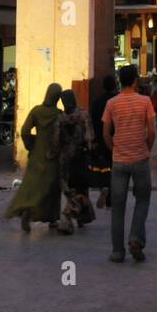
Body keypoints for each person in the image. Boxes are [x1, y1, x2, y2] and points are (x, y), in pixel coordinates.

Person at [103, 64, 156, 262]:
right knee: (143, 199)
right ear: (135, 81)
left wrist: (114, 149)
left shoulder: (112, 103)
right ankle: (135, 237)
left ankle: (117, 251)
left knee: (118, 206)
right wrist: (147, 149)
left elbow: (106, 132)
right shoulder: (145, 101)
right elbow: (151, 131)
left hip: (119, 160)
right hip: (140, 158)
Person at [5, 83, 64, 231]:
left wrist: (32, 144)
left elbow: (25, 131)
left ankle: (27, 211)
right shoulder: (59, 114)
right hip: (53, 155)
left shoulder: (36, 112)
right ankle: (52, 218)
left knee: (33, 185)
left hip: (37, 153)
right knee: (51, 187)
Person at [54, 90, 96, 234]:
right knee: (82, 188)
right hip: (80, 156)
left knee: (68, 188)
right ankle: (78, 218)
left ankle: (72, 217)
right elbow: (89, 137)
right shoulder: (83, 115)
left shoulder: (60, 118)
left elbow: (55, 140)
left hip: (65, 158)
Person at [88, 74, 116, 208]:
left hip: (100, 140)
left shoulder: (97, 102)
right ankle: (111, 197)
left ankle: (104, 186)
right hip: (115, 139)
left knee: (103, 168)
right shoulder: (116, 101)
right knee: (114, 169)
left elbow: (92, 121)